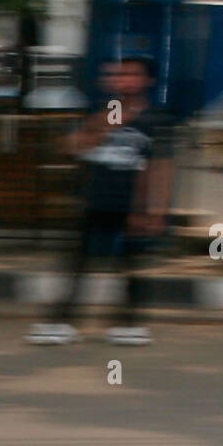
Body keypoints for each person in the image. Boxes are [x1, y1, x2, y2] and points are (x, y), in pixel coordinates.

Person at [26, 55, 174, 346]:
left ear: (147, 81)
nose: (125, 80)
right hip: (96, 199)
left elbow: (162, 167)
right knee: (77, 264)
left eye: (133, 74)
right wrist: (102, 125)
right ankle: (62, 321)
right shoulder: (100, 113)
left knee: (131, 266)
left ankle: (130, 324)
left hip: (133, 204)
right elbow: (69, 148)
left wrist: (155, 210)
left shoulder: (155, 120)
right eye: (120, 75)